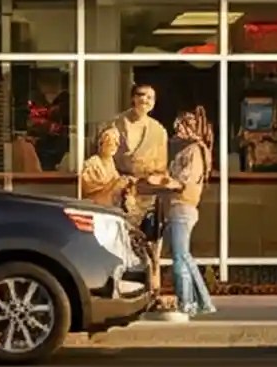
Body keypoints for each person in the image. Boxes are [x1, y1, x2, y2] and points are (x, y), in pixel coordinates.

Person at [165, 108, 218, 317]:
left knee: (180, 257)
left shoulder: (194, 151)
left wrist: (161, 182)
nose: (177, 131)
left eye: (180, 126)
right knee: (184, 256)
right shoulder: (190, 150)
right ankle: (203, 302)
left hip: (183, 205)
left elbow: (182, 181)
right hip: (180, 206)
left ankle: (187, 302)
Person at [110, 84, 170, 226]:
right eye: (141, 95)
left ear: (154, 103)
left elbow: (161, 166)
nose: (145, 100)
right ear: (133, 98)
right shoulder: (115, 124)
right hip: (117, 190)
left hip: (146, 195)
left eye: (150, 97)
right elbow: (104, 157)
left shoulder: (158, 131)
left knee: (143, 240)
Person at [80, 126, 136, 209]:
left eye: (116, 141)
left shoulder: (111, 163)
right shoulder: (92, 165)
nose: (115, 145)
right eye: (110, 141)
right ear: (101, 144)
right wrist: (115, 184)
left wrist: (127, 186)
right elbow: (93, 197)